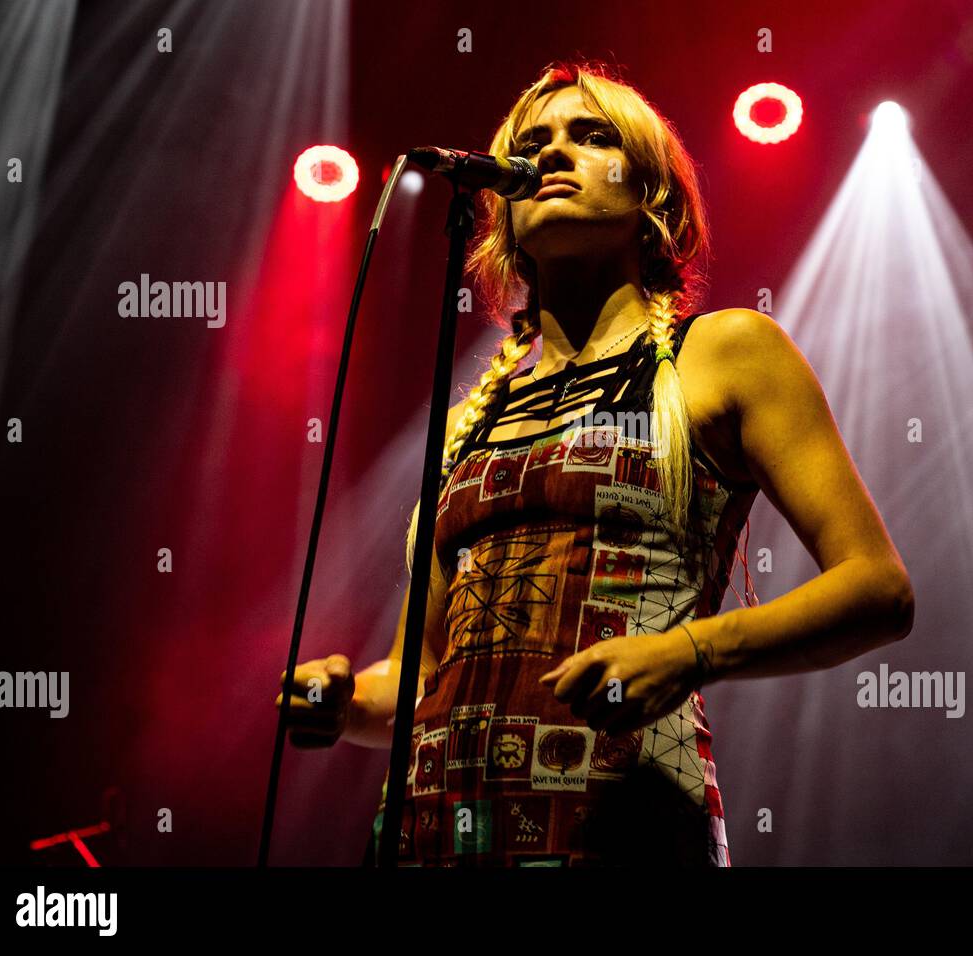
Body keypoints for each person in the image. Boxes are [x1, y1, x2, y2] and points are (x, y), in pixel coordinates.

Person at [274, 60, 915, 867]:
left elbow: (878, 589)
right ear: (502, 214)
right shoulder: (474, 420)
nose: (553, 153)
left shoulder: (722, 354)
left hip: (624, 822)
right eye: (533, 142)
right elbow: (418, 672)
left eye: (591, 136)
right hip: (431, 830)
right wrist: (342, 700)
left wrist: (690, 652)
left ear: (653, 200)